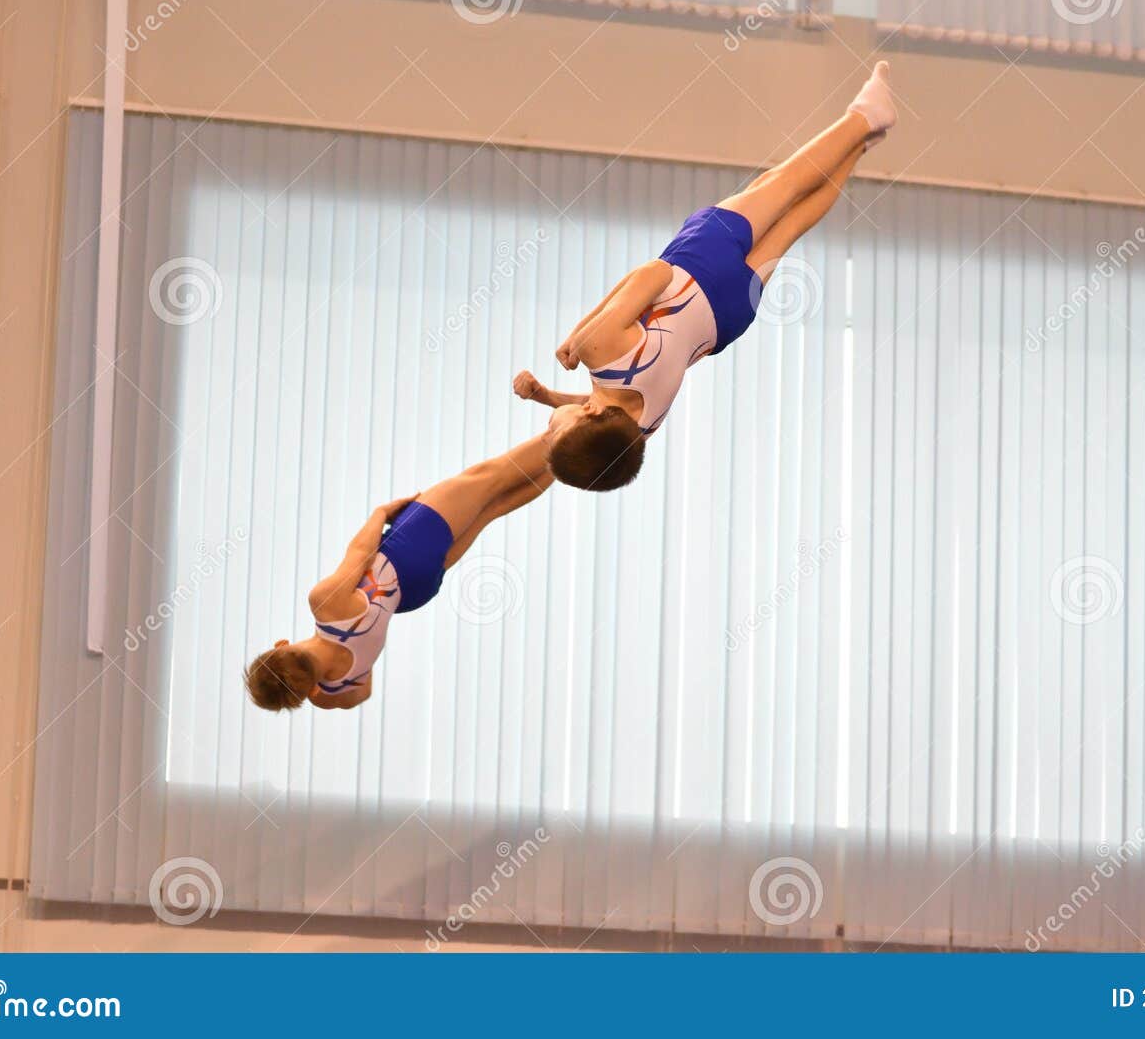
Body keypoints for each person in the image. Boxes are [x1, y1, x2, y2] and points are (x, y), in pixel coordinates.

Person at [512, 62, 896, 491]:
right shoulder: (597, 350)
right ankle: (864, 116)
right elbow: (653, 274)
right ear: (589, 417)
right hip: (698, 268)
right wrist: (578, 334)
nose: (546, 431)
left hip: (727, 318)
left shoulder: (638, 430)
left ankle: (859, 147)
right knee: (781, 183)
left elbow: (603, 407)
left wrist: (547, 397)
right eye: (554, 433)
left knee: (793, 224)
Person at [244, 434, 552, 711]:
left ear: (304, 692)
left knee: (492, 509)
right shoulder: (326, 604)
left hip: (415, 592)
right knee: (487, 478)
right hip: (405, 554)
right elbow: (360, 554)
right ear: (280, 644)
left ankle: (571, 455)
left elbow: (363, 692)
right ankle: (570, 427)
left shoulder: (334, 694)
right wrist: (380, 513)